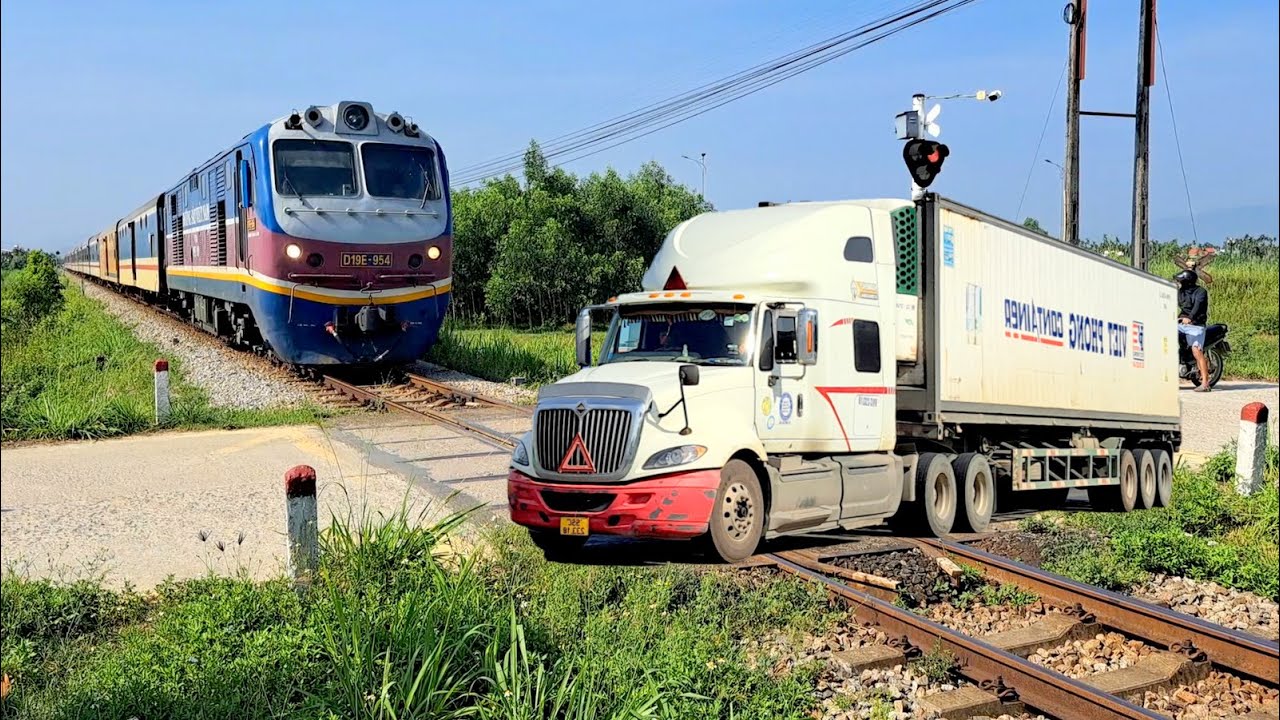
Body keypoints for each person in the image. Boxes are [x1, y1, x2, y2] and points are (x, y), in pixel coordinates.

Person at [1176, 269, 1211, 392]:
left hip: (1196, 325)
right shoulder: (1181, 292)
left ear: (1188, 282)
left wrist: (1190, 318)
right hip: (1181, 323)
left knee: (1196, 351)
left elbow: (1198, 306)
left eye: (1181, 281)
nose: (1180, 283)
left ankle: (1205, 383)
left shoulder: (1201, 292)